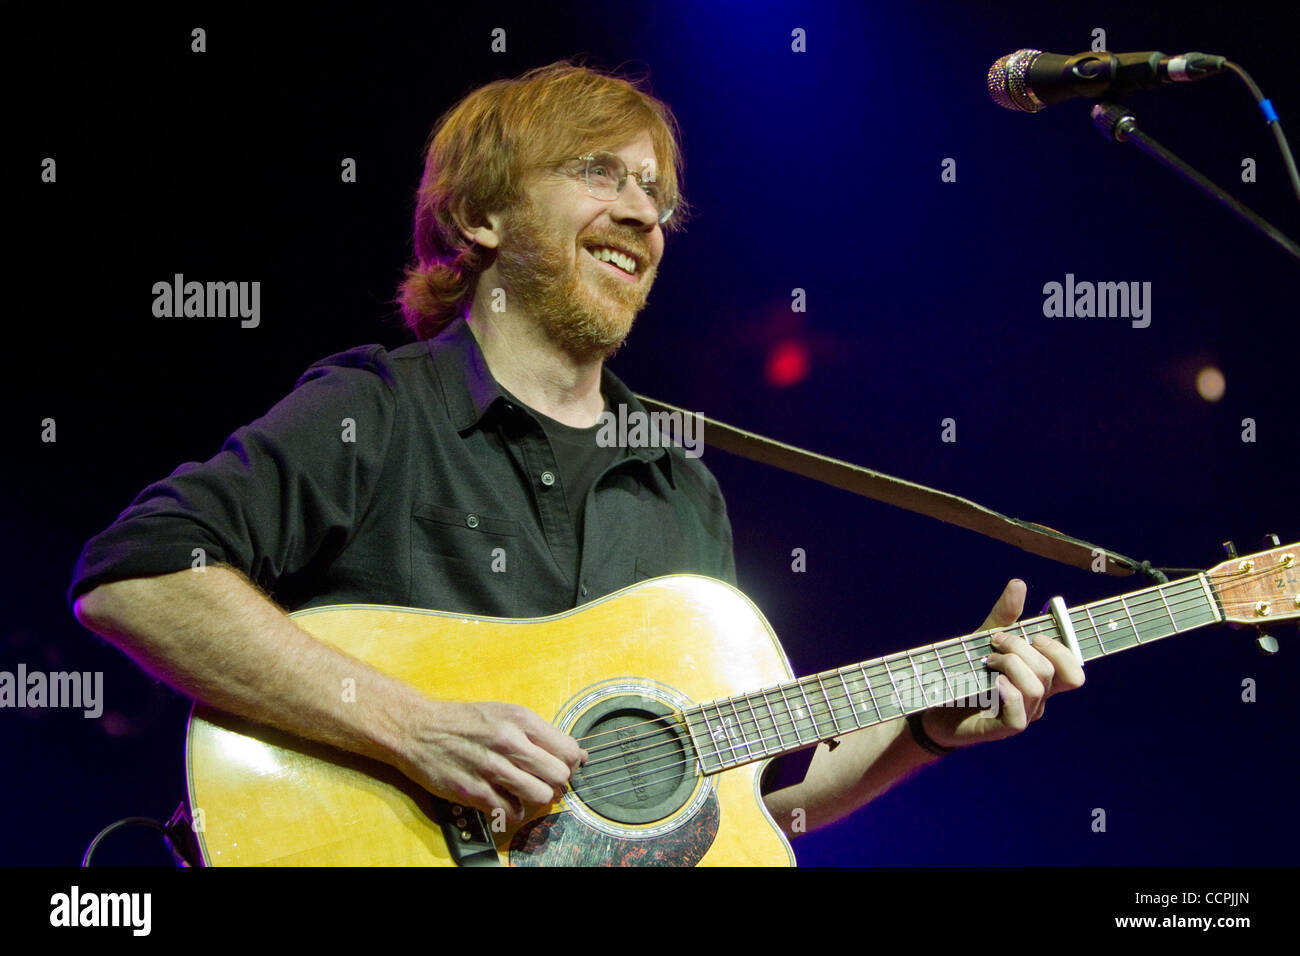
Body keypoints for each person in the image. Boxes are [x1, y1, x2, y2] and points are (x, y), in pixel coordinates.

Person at [69, 61, 1084, 847]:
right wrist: (414, 726)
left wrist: (925, 726)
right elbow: (138, 576)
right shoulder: (375, 413)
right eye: (599, 174)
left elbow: (756, 803)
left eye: (655, 193)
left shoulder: (677, 478)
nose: (643, 213)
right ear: (480, 213)